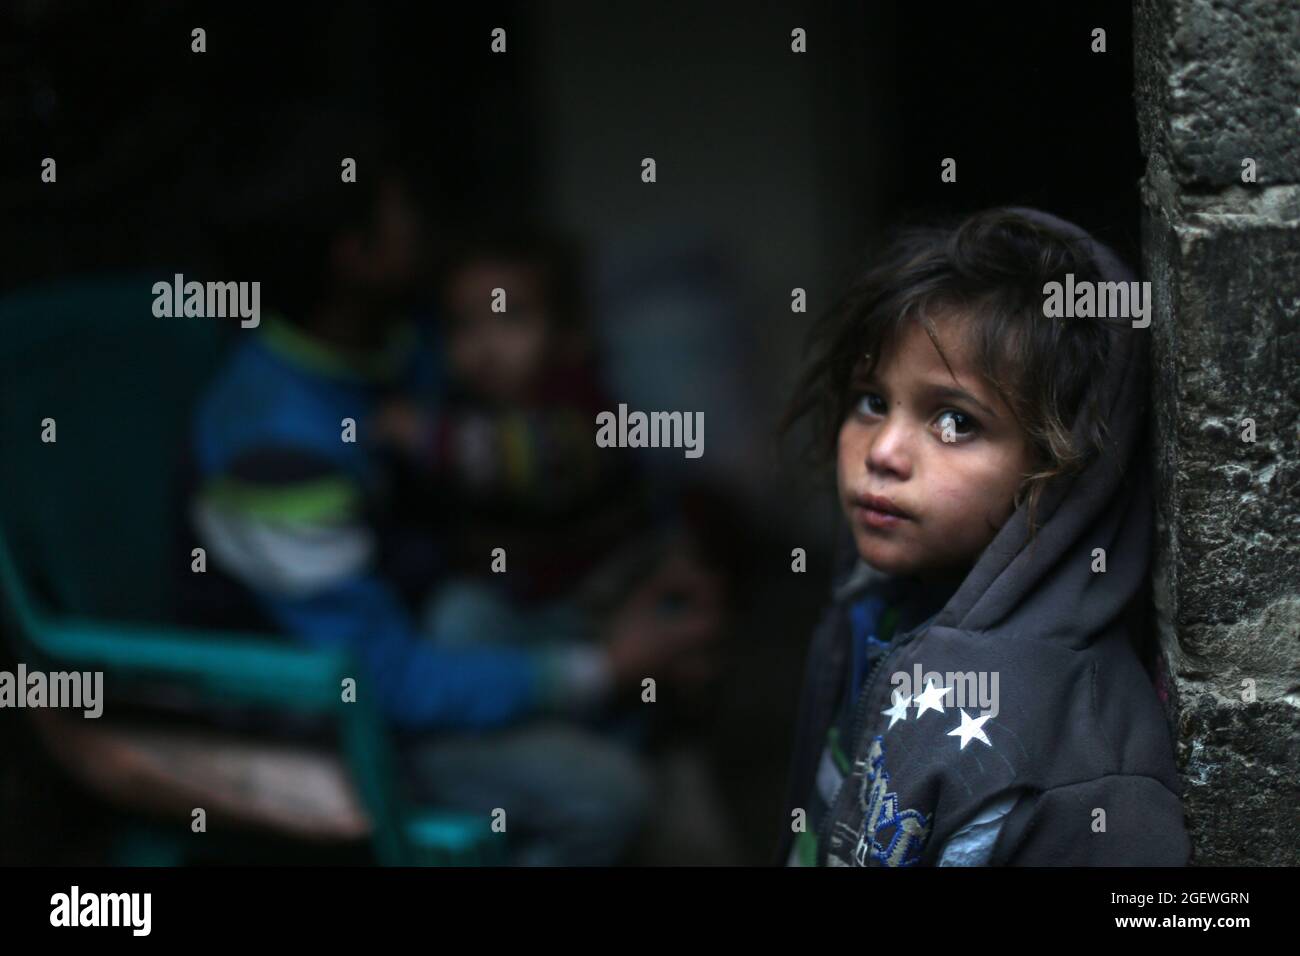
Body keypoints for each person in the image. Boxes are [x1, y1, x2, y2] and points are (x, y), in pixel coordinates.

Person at [177, 109, 719, 864]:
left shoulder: (405, 349)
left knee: (496, 622)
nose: (424, 226)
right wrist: (607, 666)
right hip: (345, 718)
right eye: (403, 208)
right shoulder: (274, 445)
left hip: (442, 638)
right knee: (611, 793)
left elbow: (576, 450)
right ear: (354, 255)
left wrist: (666, 561)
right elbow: (380, 680)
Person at [774, 207, 1191, 866]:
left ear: (1061, 469)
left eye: (954, 421)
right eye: (871, 401)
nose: (882, 451)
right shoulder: (870, 607)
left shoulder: (1081, 776)